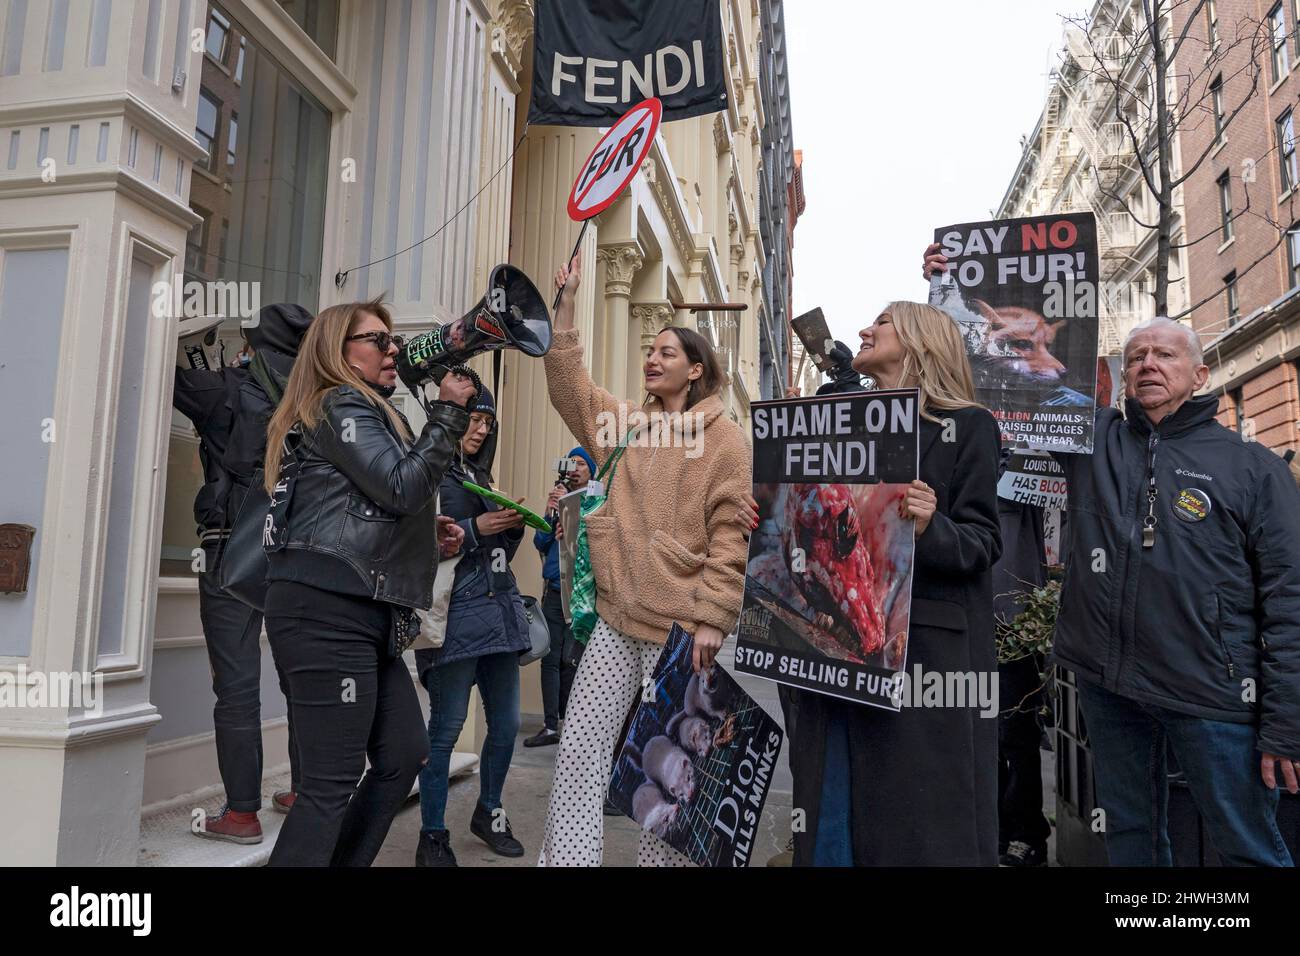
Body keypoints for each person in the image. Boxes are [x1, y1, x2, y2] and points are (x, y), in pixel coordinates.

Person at [537, 254, 753, 867]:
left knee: (667, 780)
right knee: (580, 751)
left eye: (666, 353)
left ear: (696, 370)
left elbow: (732, 532)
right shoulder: (628, 426)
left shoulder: (725, 443)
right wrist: (569, 299)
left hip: (680, 633)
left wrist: (714, 617)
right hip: (615, 620)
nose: (652, 360)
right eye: (649, 352)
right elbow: (568, 385)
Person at [259, 297, 476, 867]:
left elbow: (378, 503)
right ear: (340, 352)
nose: (393, 350)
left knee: (404, 754)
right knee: (330, 783)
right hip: (326, 610)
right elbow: (402, 486)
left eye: (392, 339)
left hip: (366, 613)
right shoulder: (341, 404)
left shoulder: (370, 411)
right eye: (377, 341)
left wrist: (430, 535)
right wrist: (449, 414)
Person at [788, 301, 1003, 866]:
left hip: (922, 660)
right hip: (833, 651)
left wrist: (933, 526)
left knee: (915, 826)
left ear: (918, 342)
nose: (863, 328)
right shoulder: (836, 414)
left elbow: (983, 543)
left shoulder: (970, 427)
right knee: (836, 808)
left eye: (880, 323)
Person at [171, 303, 312, 844]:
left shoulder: (226, 389)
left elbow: (156, 367)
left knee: (236, 687)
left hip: (231, 552)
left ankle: (242, 814)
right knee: (299, 680)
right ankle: (305, 790)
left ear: (255, 345)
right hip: (295, 556)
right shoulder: (318, 401)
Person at [414, 384, 531, 866]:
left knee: (505, 726)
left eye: (487, 422)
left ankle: (489, 813)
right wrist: (479, 530)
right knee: (445, 731)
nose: (481, 429)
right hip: (455, 620)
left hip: (499, 617)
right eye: (473, 419)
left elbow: (498, 558)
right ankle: (432, 836)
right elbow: (410, 549)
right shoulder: (425, 472)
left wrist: (517, 525)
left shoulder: (478, 476)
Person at [524, 446, 596, 748]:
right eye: (572, 463)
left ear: (592, 472)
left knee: (573, 659)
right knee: (550, 658)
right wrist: (550, 511)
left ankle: (572, 724)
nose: (576, 468)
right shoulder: (559, 498)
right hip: (554, 588)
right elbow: (539, 541)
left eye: (582, 464)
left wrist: (573, 532)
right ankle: (550, 725)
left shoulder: (594, 502)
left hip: (580, 593)